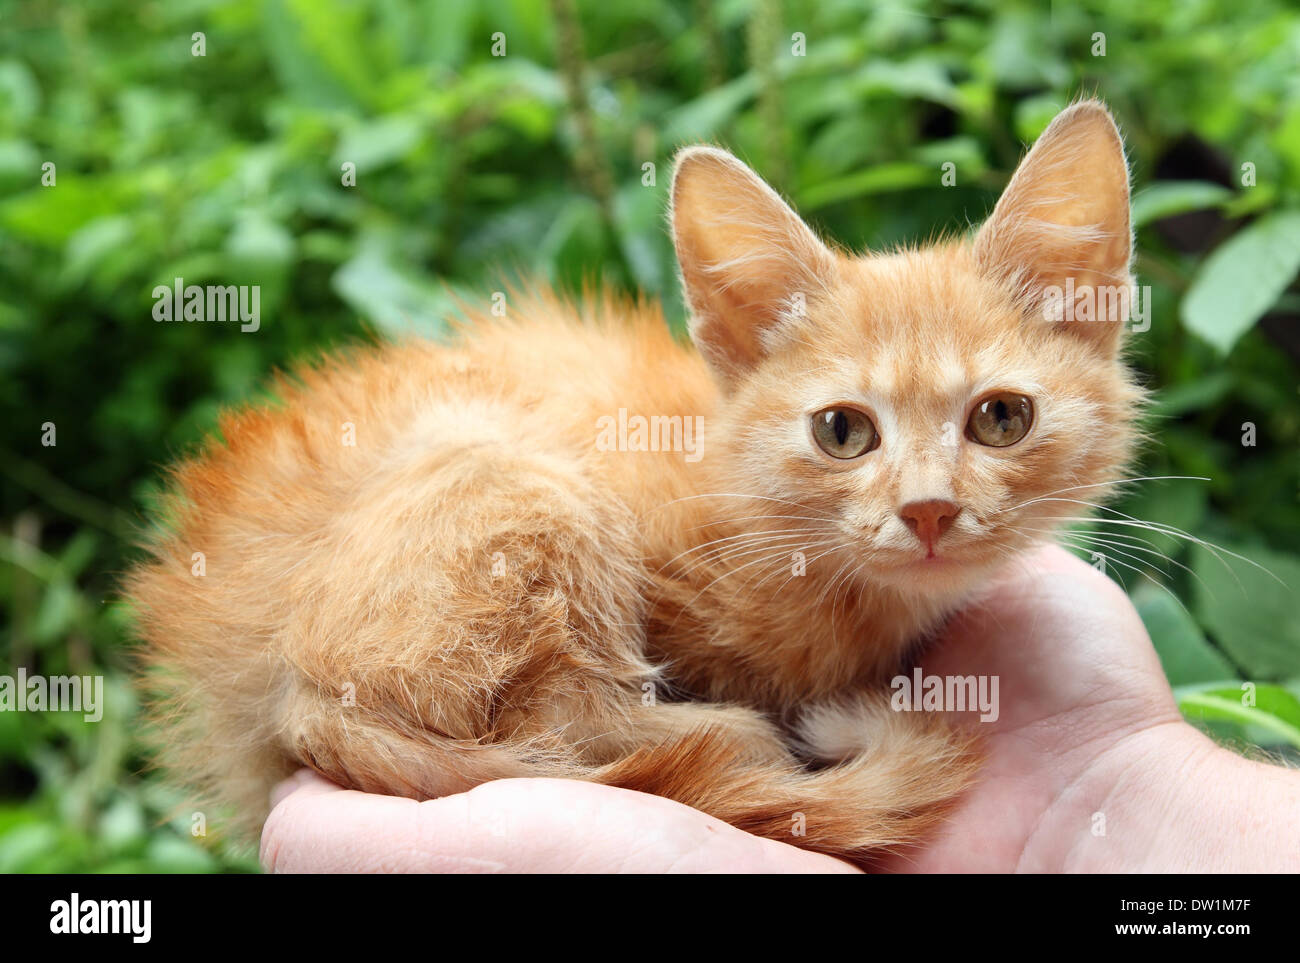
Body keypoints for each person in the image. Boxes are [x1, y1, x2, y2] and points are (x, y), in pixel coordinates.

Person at [258, 545, 1300, 873]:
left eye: (998, 418)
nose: (928, 498)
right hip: (386, 628)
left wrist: (1115, 776)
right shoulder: (750, 562)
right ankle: (564, 718)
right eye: (845, 429)